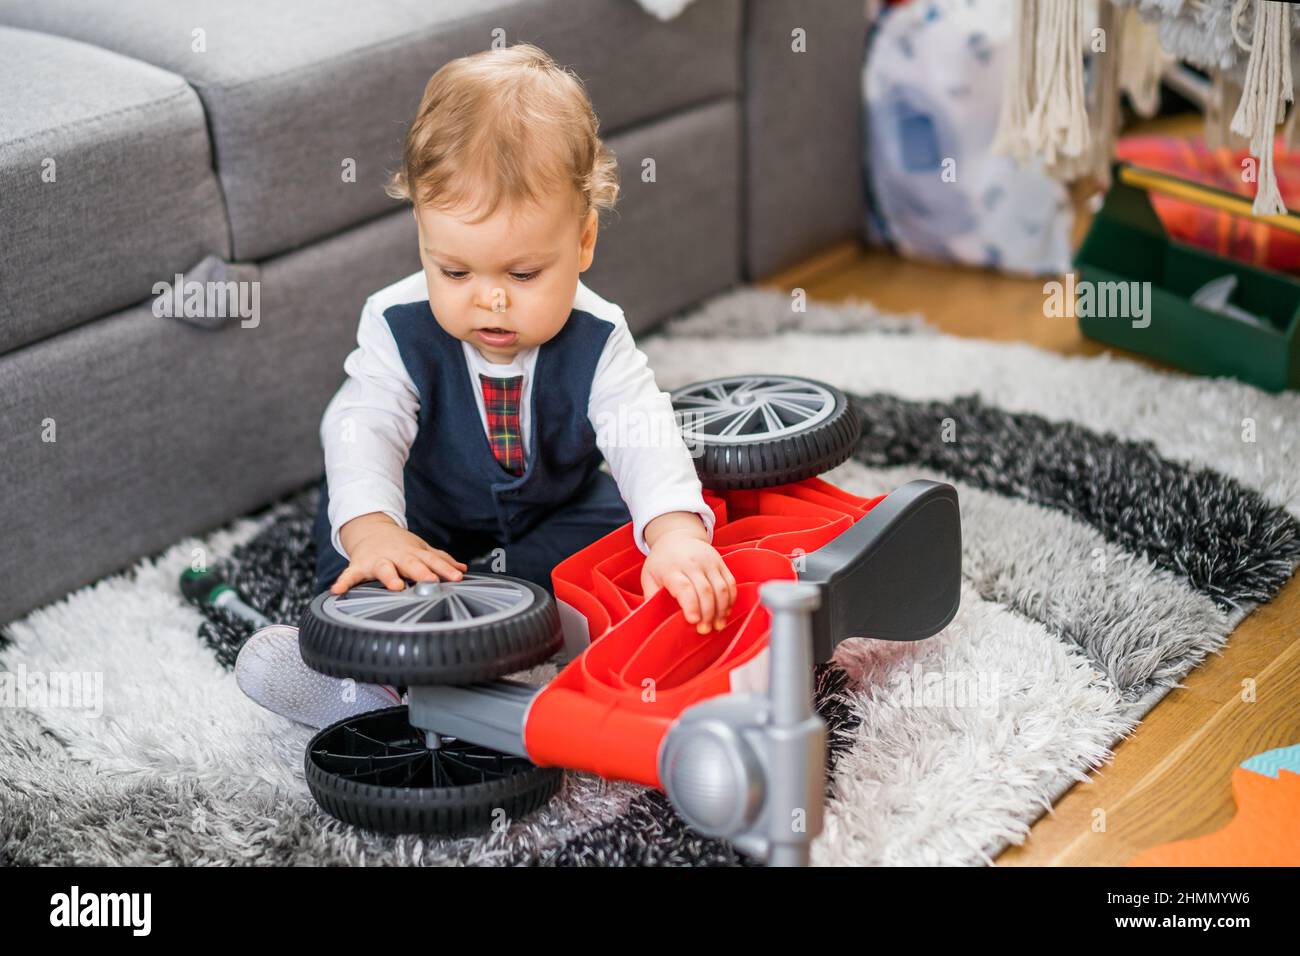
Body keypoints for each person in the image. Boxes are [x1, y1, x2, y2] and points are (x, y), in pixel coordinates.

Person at [236, 42, 736, 728]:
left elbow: (640, 430)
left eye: (523, 275)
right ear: (423, 243)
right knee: (351, 515)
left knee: (632, 522)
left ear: (584, 242)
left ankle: (529, 621)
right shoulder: (397, 321)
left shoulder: (599, 333)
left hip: (546, 512)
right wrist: (376, 529)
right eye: (456, 273)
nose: (489, 302)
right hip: (426, 516)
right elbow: (363, 423)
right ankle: (358, 669)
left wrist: (676, 532)